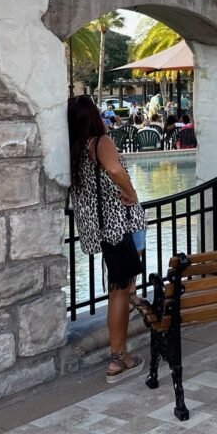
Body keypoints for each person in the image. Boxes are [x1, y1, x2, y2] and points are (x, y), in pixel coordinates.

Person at [66, 95, 146, 383]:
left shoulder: (75, 150)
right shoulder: (101, 142)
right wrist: (132, 192)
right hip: (118, 229)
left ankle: (119, 354)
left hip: (102, 231)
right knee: (120, 293)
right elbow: (114, 170)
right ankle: (118, 358)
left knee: (119, 290)